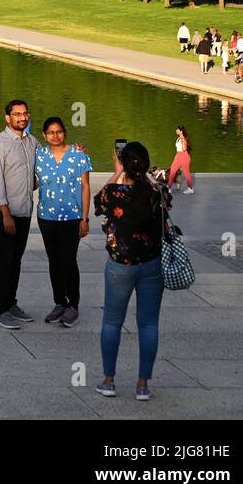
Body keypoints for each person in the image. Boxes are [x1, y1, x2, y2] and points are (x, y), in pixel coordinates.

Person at [94, 141, 169, 402]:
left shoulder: (114, 193)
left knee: (112, 322)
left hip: (120, 265)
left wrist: (117, 171)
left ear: (123, 162)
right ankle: (143, 385)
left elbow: (97, 202)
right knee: (148, 324)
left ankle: (108, 381)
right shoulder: (157, 192)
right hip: (151, 263)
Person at [34, 117, 92, 327]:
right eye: (51, 132)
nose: (55, 136)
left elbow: (85, 186)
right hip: (47, 217)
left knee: (69, 260)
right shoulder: (39, 155)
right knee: (54, 261)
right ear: (44, 135)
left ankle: (73, 306)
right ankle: (59, 302)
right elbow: (34, 181)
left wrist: (85, 218)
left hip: (72, 217)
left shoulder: (78, 154)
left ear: (65, 133)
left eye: (59, 132)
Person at [0, 99, 38, 329]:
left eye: (25, 113)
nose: (22, 117)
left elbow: (38, 171)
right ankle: (2, 309)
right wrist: (5, 213)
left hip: (25, 210)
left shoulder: (32, 142)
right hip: (5, 212)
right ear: (8, 118)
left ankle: (12, 303)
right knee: (5, 260)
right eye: (17, 114)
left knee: (16, 260)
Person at [167, 125, 193, 194]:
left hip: (184, 157)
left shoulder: (183, 139)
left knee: (186, 174)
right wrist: (176, 156)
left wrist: (183, 141)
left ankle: (190, 189)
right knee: (172, 171)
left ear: (181, 131)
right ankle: (169, 188)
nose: (176, 130)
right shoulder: (178, 138)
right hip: (178, 156)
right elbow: (178, 149)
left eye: (177, 129)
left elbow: (184, 149)